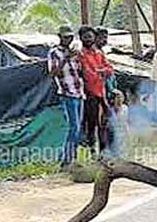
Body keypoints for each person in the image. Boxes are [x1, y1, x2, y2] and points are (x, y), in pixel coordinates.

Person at [48, 25, 85, 167]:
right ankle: (65, 161)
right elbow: (53, 73)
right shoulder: (54, 53)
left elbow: (80, 73)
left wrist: (79, 59)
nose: (68, 39)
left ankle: (71, 159)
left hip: (79, 93)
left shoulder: (75, 52)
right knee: (73, 128)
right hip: (67, 93)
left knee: (78, 128)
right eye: (65, 37)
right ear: (60, 37)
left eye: (70, 37)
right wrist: (65, 59)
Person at [78, 25, 114, 155]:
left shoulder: (99, 53)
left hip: (101, 93)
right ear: (81, 38)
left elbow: (110, 69)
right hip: (89, 94)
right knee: (91, 124)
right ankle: (93, 152)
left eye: (90, 36)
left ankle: (103, 152)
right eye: (86, 37)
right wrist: (101, 72)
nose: (88, 39)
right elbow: (87, 74)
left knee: (104, 124)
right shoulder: (80, 54)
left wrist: (102, 71)